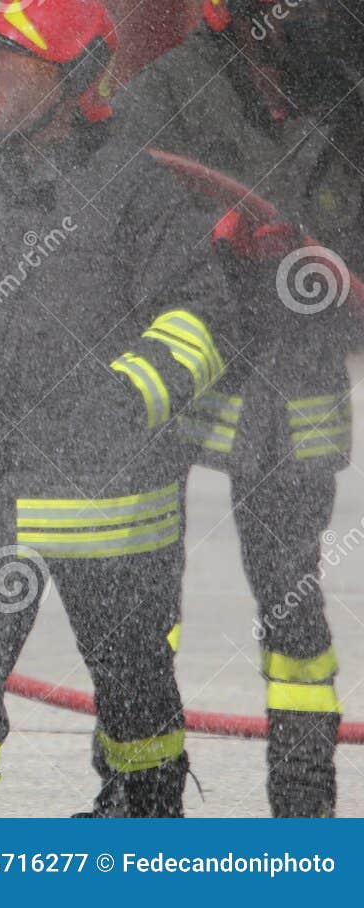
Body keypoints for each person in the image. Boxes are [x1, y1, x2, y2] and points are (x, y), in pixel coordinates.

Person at [0, 0, 239, 817]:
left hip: (111, 498)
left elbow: (204, 314)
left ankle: (145, 812)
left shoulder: (134, 187)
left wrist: (129, 395)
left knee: (133, 684)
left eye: (11, 65)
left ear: (76, 78)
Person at [105, 0, 363, 818]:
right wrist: (208, 240)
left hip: (296, 375)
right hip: (184, 370)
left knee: (291, 596)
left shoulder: (344, 96)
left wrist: (315, 245)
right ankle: (141, 791)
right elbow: (114, 216)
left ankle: (303, 802)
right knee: (144, 591)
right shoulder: (166, 93)